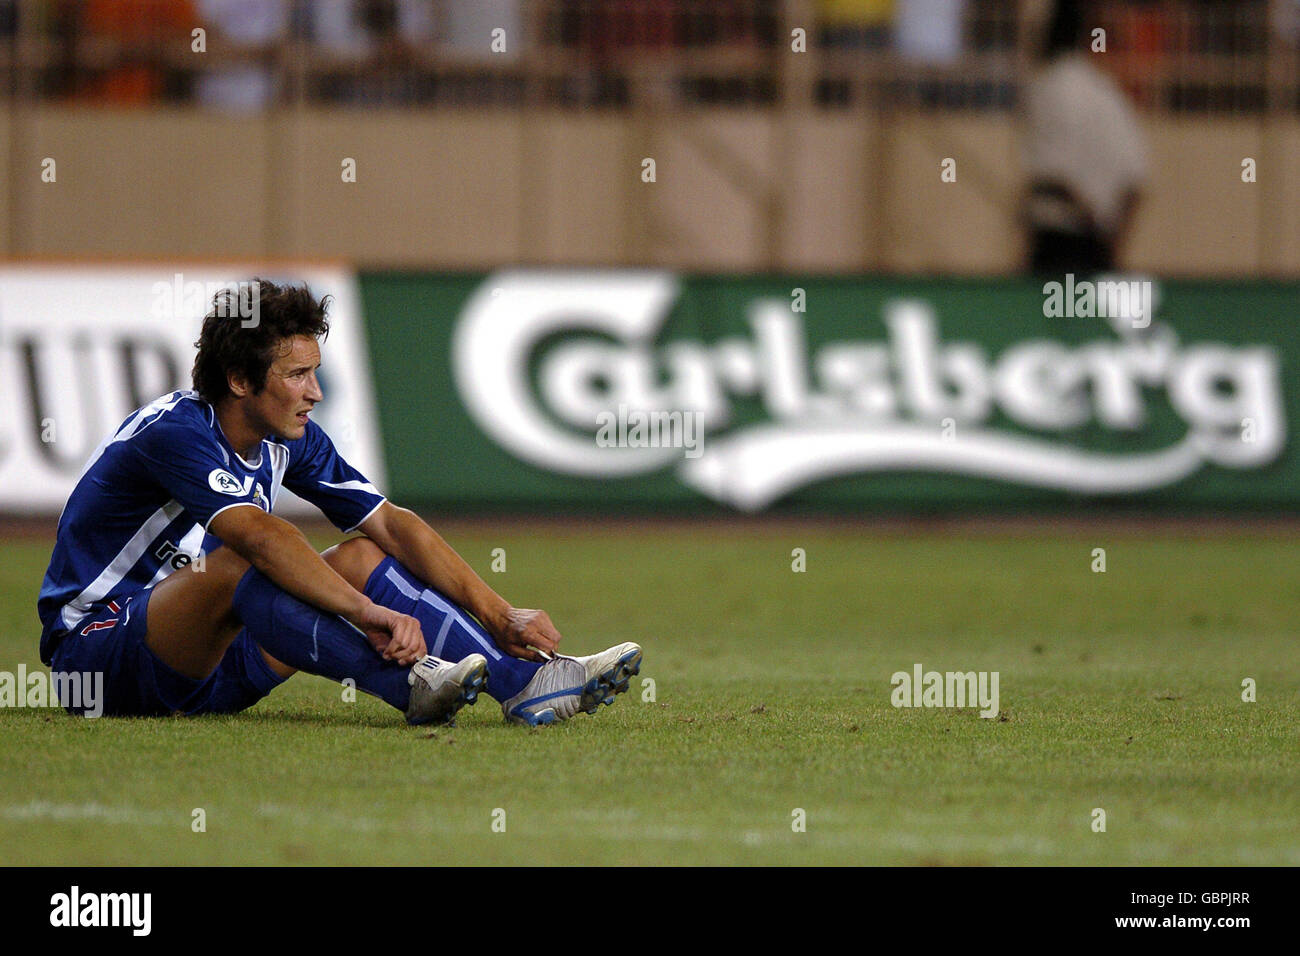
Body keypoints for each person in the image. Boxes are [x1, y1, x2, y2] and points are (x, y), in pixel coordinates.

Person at [37, 279, 641, 727]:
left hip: (214, 664)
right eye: (297, 375)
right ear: (241, 381)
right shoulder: (175, 433)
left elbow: (394, 527)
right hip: (100, 657)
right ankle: (411, 686)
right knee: (244, 561)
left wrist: (500, 612)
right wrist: (368, 614)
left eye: (316, 372)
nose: (316, 393)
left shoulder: (286, 438)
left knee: (357, 554)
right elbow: (261, 541)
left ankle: (525, 682)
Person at [1020, 0, 1148, 277]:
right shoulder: (1108, 92)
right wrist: (1111, 243)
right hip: (1098, 246)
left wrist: (1088, 217)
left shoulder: (1048, 87)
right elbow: (1136, 180)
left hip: (1058, 245)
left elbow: (1052, 175)